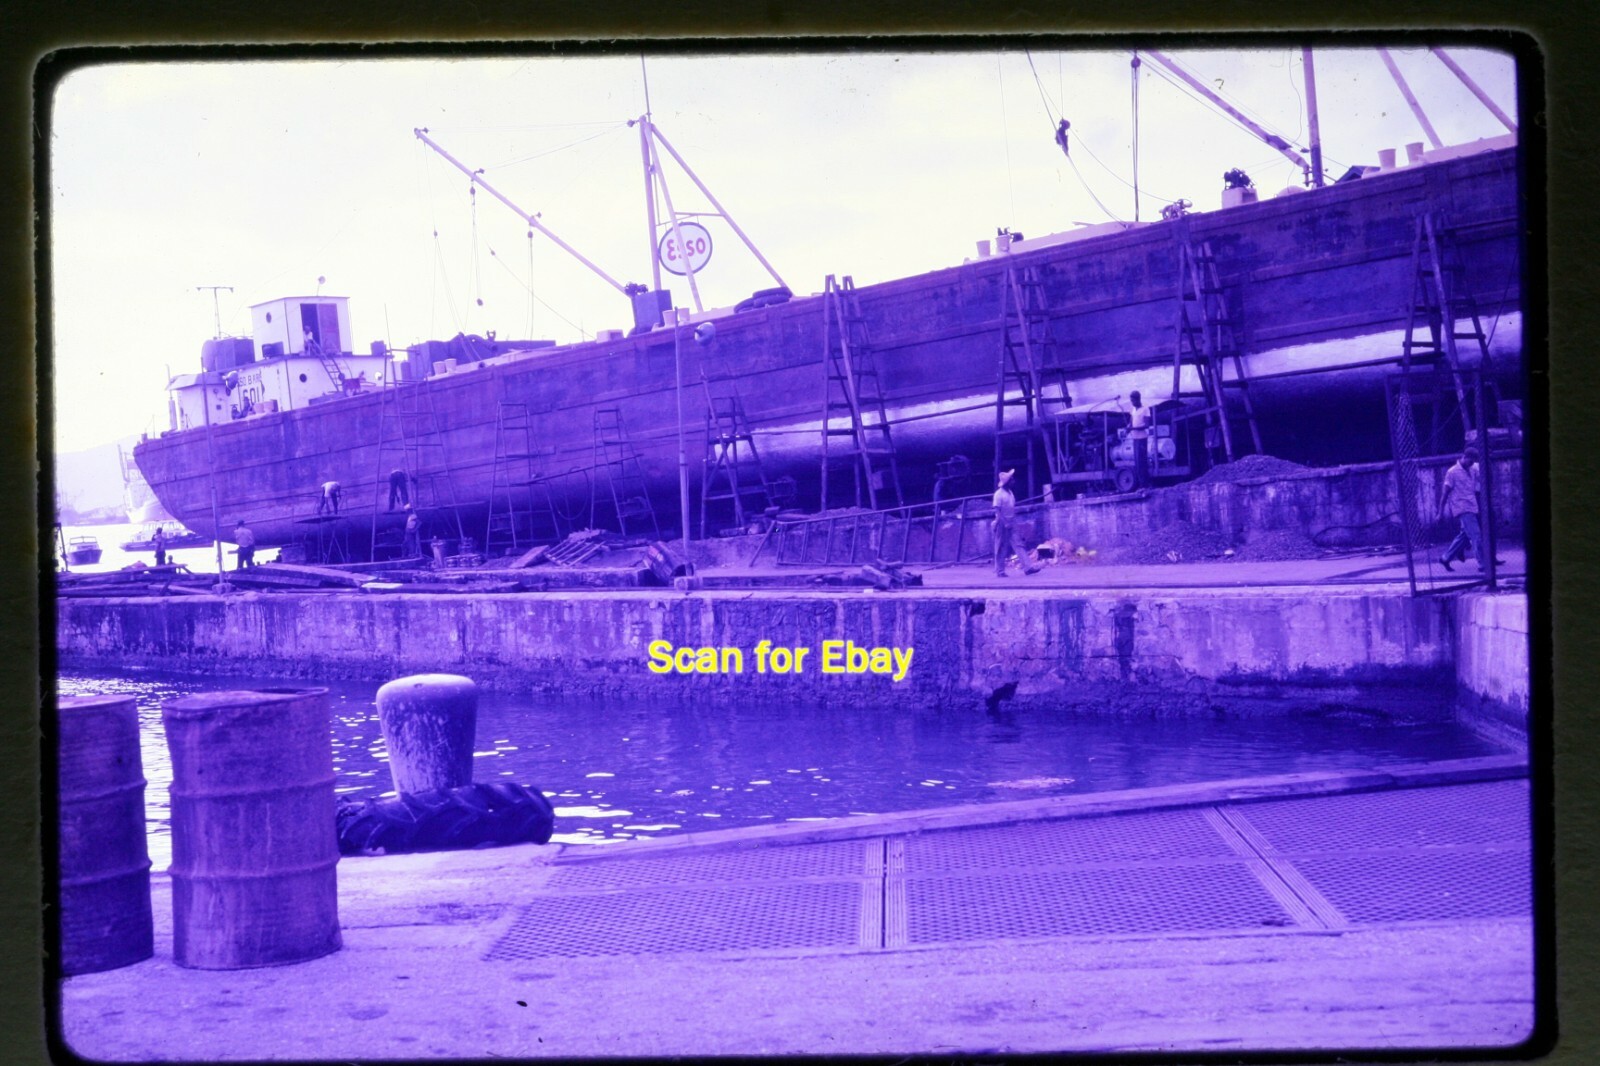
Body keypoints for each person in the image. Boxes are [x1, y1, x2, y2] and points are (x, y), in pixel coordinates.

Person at [1439, 447, 1492, 572]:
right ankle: (1482, 564)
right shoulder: (1452, 472)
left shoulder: (1473, 468)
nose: (1471, 464)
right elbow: (1445, 493)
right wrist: (1440, 512)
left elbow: (1484, 472)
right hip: (1462, 507)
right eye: (1470, 461)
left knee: (1464, 535)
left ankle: (1446, 558)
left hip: (1472, 505)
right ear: (1465, 456)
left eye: (1473, 462)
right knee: (1476, 535)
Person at [992, 468, 1018, 577]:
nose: (1013, 481)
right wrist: (1005, 522)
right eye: (1011, 480)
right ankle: (999, 570)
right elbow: (998, 511)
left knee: (1012, 545)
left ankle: (1027, 567)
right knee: (1000, 546)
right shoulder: (999, 494)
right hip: (1002, 522)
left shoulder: (1010, 493)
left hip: (1010, 521)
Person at [1126, 390, 1153, 489]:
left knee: (1142, 462)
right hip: (1135, 438)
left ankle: (1145, 484)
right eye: (1131, 400)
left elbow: (1146, 425)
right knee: (1137, 462)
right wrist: (1128, 427)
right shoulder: (1133, 409)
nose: (1132, 402)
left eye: (1133, 400)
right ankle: (1141, 484)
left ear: (1138, 399)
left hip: (1142, 438)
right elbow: (1131, 420)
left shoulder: (1145, 409)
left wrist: (1133, 428)